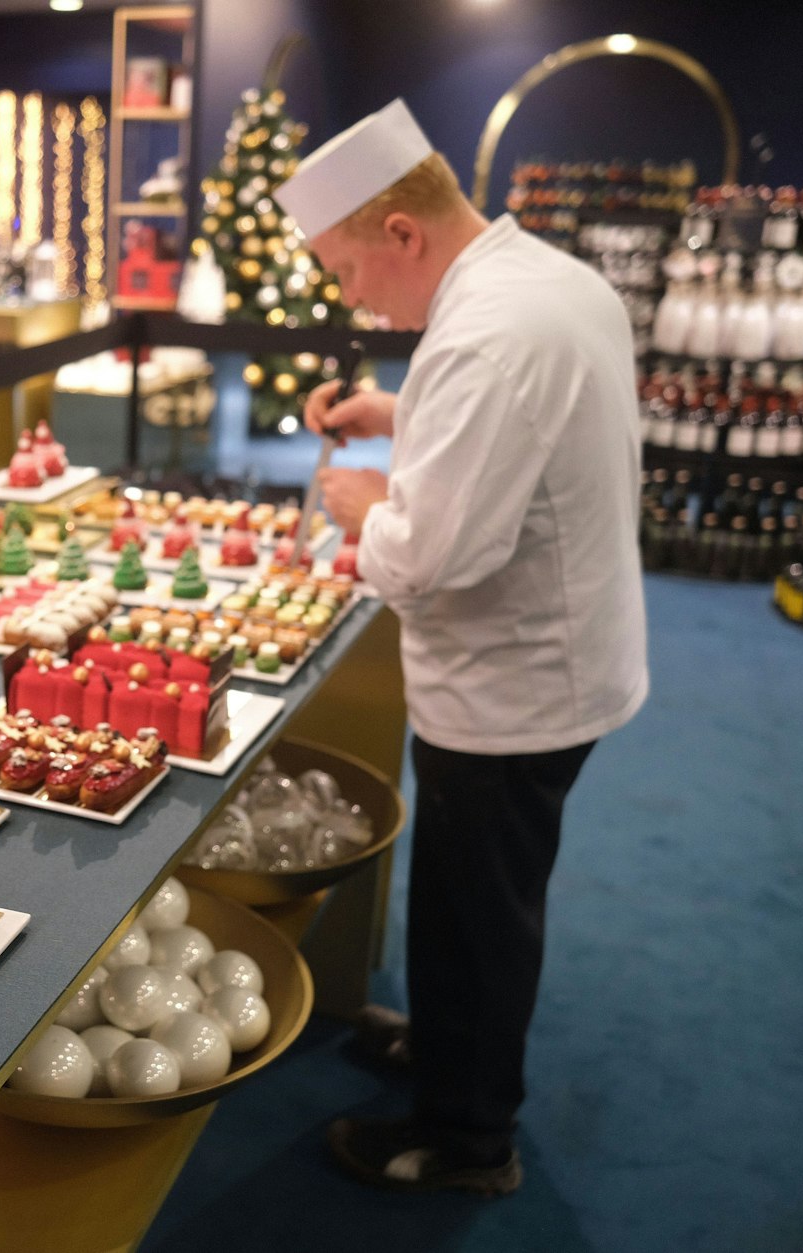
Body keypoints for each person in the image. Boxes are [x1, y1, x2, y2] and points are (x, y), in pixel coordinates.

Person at [273, 100, 649, 1195]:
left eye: (347, 271)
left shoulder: (484, 335)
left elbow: (429, 557)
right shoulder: (539, 280)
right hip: (553, 655)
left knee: (479, 913)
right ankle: (444, 1046)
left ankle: (466, 1136)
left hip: (515, 682)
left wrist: (364, 511)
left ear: (401, 232)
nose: (353, 298)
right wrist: (398, 414)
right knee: (457, 891)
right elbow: (514, 432)